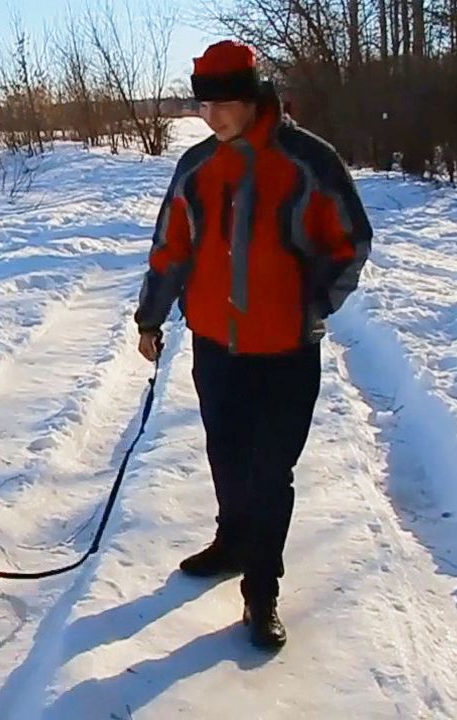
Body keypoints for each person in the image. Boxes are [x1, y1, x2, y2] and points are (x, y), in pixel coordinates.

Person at [133, 41, 372, 650]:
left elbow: (351, 242)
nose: (210, 117)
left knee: (269, 472)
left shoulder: (307, 161)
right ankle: (233, 542)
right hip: (215, 345)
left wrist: (311, 304)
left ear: (253, 97)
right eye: (203, 104)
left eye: (223, 104)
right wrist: (150, 318)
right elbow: (170, 247)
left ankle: (261, 592)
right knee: (226, 453)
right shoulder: (196, 167)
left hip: (286, 351)